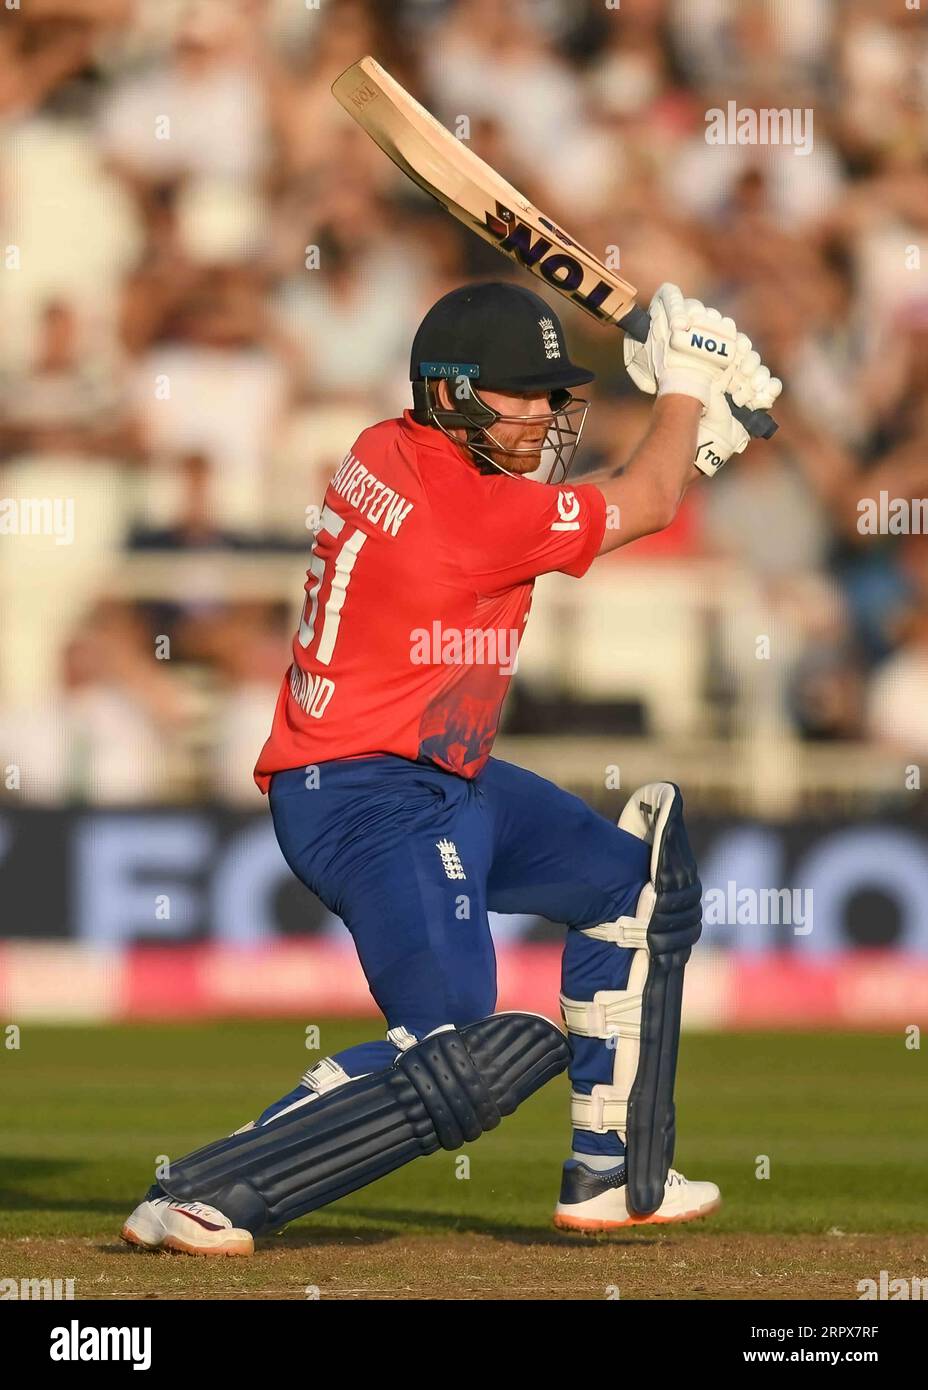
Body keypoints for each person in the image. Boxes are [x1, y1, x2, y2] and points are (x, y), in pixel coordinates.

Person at [121, 280, 780, 1255]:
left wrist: (683, 429)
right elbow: (638, 503)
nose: (551, 415)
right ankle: (207, 1190)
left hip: (439, 777)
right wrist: (683, 388)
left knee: (632, 888)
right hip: (367, 800)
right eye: (529, 397)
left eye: (556, 395)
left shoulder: (388, 448)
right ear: (456, 396)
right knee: (453, 1057)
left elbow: (585, 500)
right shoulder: (471, 514)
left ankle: (609, 1171)